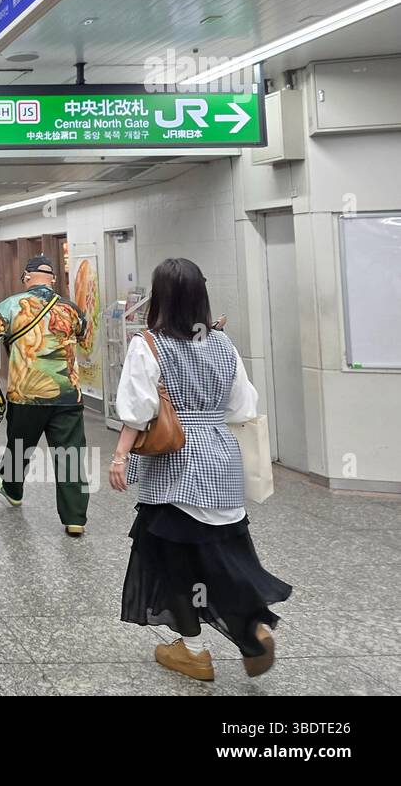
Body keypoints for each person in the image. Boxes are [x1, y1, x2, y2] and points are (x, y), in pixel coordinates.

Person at [111, 257, 290, 682]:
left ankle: (196, 650)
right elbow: (243, 406)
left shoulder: (148, 344)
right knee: (220, 549)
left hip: (174, 463)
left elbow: (137, 413)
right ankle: (250, 627)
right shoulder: (223, 344)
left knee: (173, 559)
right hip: (220, 458)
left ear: (161, 298)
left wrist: (119, 458)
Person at [0, 255, 93, 537]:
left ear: (26, 278)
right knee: (70, 455)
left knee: (19, 447)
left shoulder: (12, 305)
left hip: (26, 393)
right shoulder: (70, 308)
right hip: (67, 395)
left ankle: (13, 490)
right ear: (53, 279)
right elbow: (85, 341)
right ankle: (75, 518)